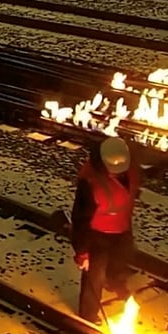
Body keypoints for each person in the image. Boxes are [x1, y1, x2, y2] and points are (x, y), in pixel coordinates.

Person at [71, 136, 142, 323]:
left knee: (120, 263)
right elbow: (80, 219)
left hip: (122, 229)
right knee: (95, 274)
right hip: (97, 234)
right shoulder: (90, 182)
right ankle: (88, 313)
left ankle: (117, 286)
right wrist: (82, 252)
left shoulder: (131, 168)